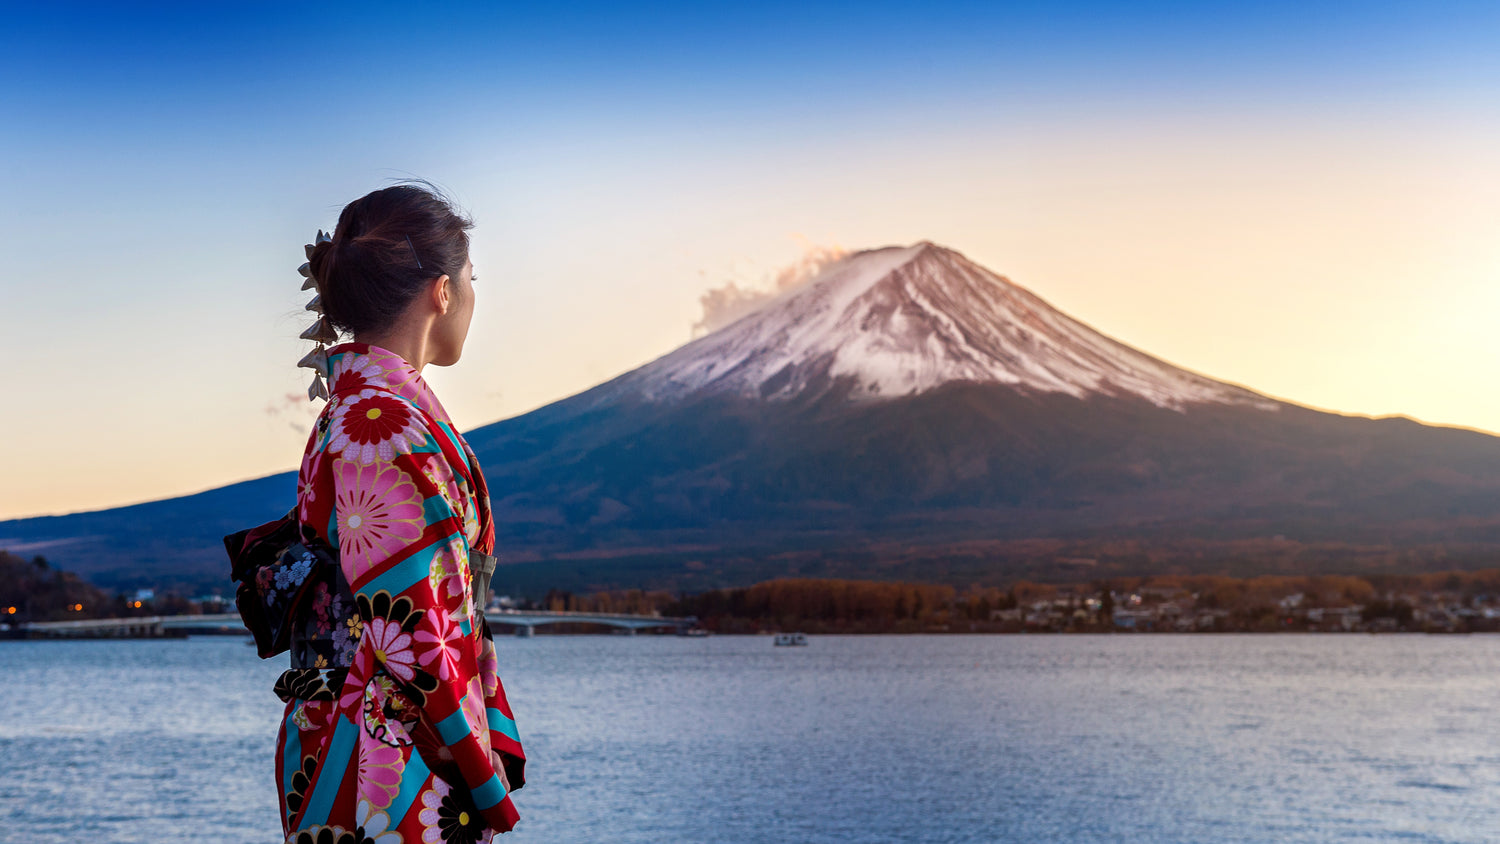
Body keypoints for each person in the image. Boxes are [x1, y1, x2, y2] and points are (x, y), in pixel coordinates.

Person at [276, 183, 525, 843]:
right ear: (442, 291)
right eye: (473, 279)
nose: (473, 298)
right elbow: (415, 622)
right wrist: (479, 767)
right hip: (389, 749)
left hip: (374, 728)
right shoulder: (379, 424)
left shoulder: (368, 412)